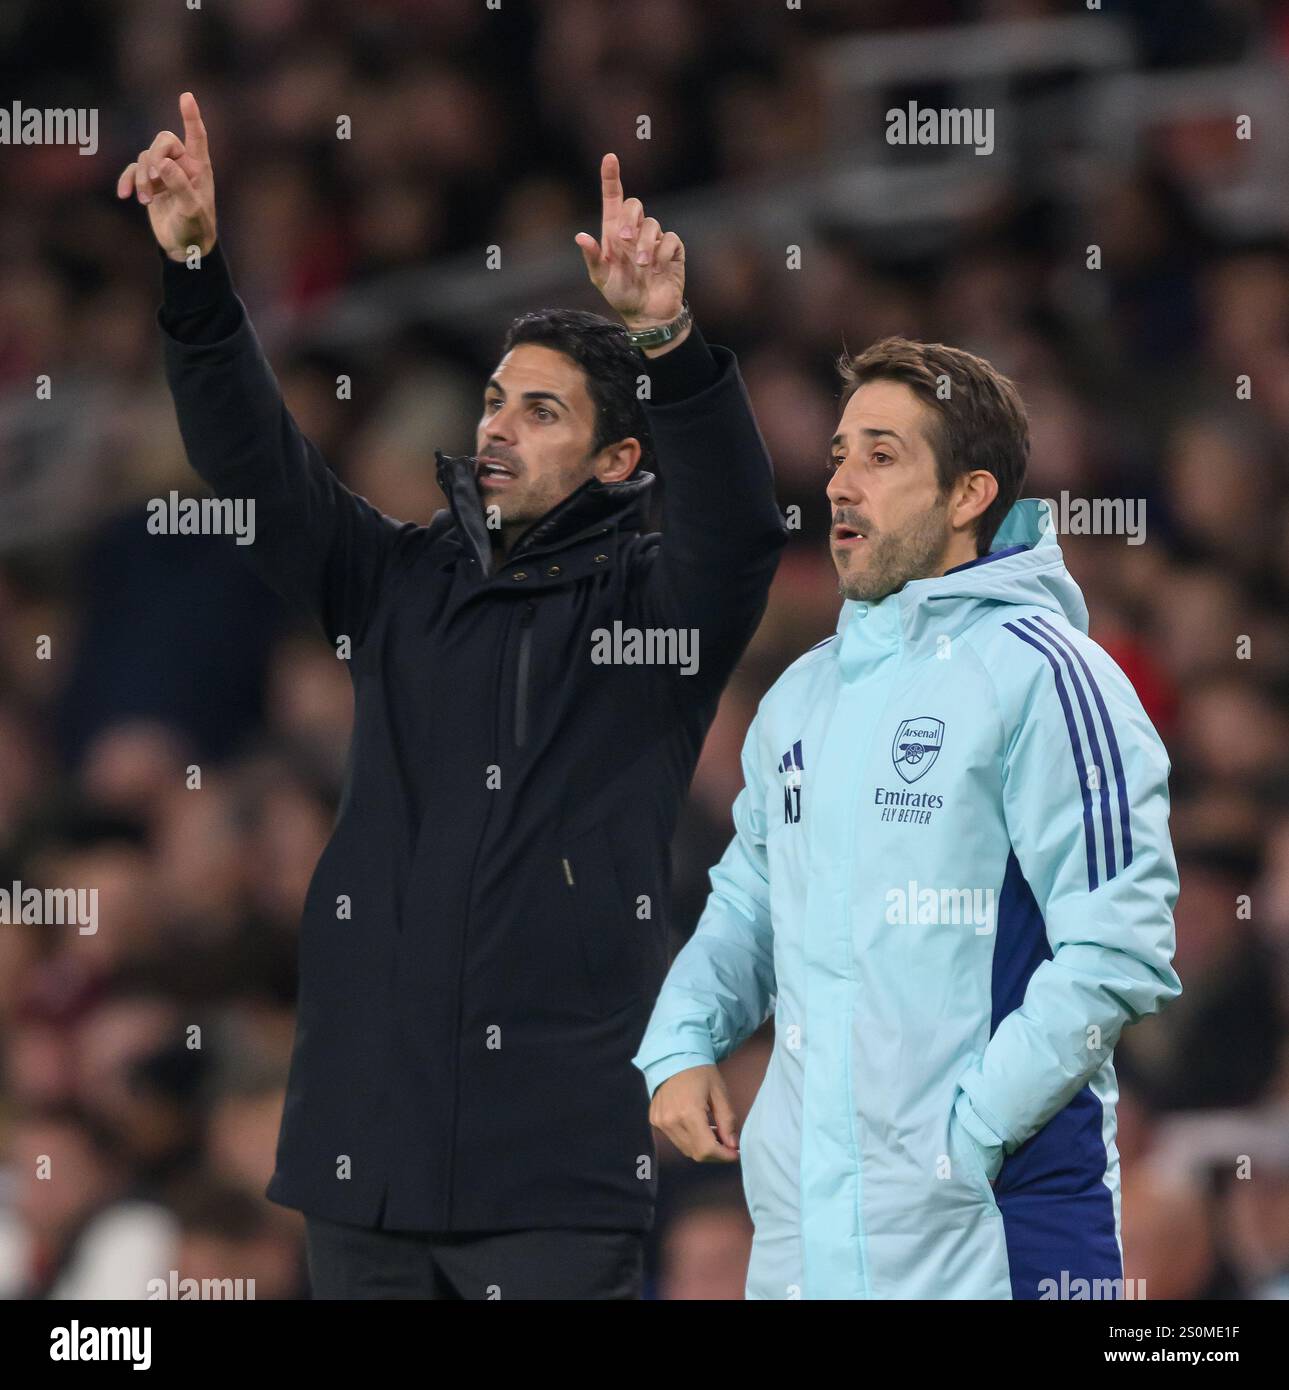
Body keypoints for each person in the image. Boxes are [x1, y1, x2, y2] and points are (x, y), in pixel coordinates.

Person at [119, 93, 786, 1299]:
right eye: (491, 400)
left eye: (541, 412)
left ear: (620, 459)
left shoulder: (656, 608)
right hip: (361, 1155)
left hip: (551, 1170)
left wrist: (669, 345)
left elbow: (738, 523)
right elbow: (251, 462)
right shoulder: (393, 577)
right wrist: (196, 272)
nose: (497, 427)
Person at [634, 336, 1182, 1299]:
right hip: (807, 1241)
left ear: (968, 495)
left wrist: (967, 1134)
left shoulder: (1047, 673)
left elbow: (1118, 949)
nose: (841, 482)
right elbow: (747, 906)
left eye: (881, 457)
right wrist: (681, 1041)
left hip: (997, 1229)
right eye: (841, 453)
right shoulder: (803, 697)